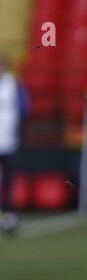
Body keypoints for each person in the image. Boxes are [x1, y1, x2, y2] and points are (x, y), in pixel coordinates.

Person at [0, 53, 30, 226]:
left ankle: (9, 213)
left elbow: (25, 109)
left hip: (8, 141)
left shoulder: (14, 85)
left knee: (8, 180)